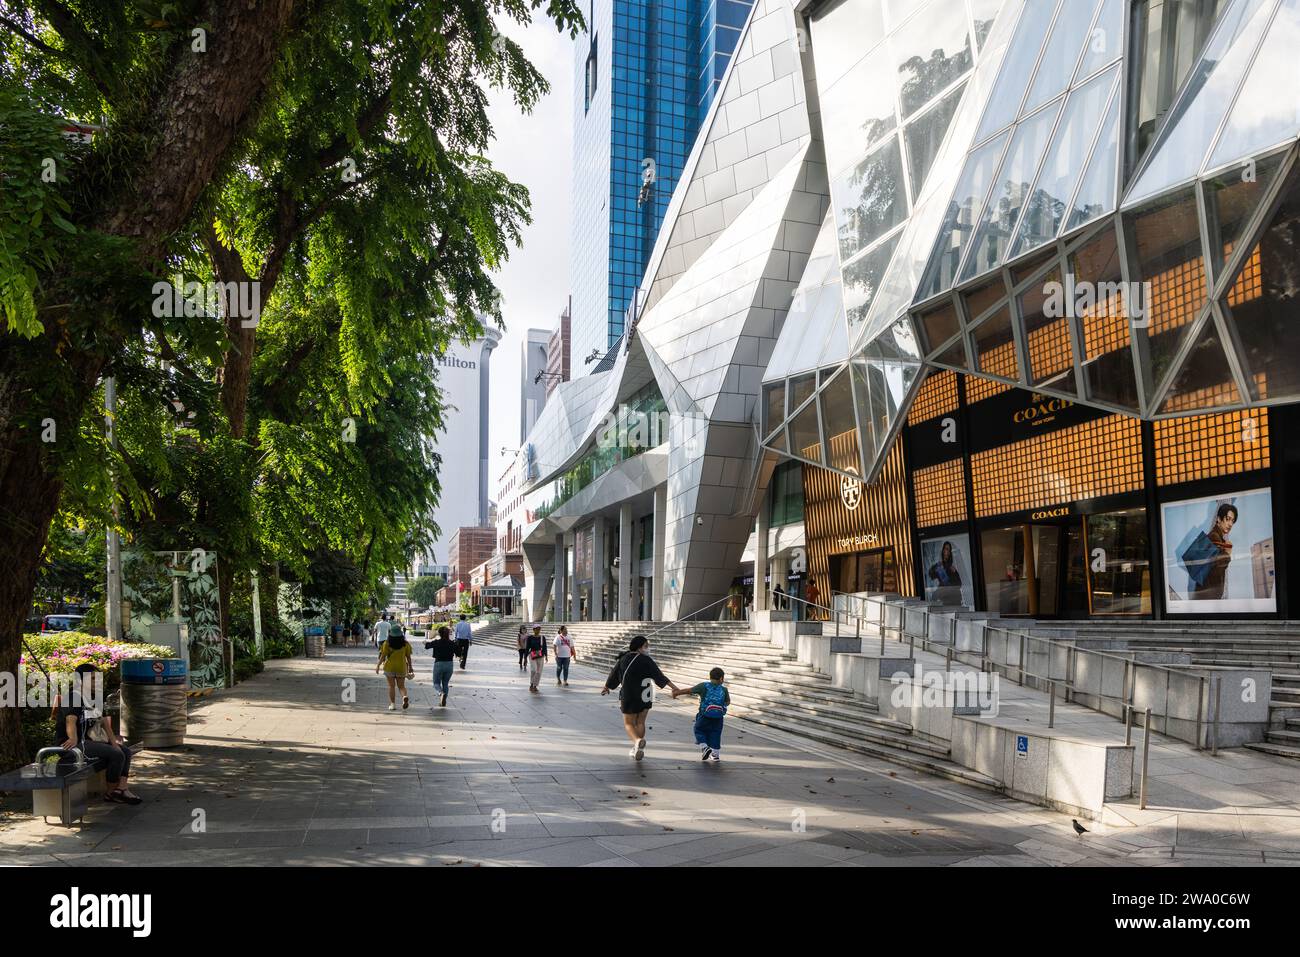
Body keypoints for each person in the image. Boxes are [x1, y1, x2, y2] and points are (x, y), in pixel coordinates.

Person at [56, 663, 142, 804]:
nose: (97, 682)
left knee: (124, 751)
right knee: (116, 754)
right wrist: (73, 738)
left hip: (88, 742)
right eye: (93, 679)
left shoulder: (93, 697)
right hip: (72, 746)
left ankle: (122, 788)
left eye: (97, 678)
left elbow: (103, 722)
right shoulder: (73, 697)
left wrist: (114, 743)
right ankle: (111, 792)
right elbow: (70, 720)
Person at [602, 635, 681, 761]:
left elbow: (614, 675)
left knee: (628, 723)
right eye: (646, 646)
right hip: (646, 694)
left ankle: (637, 741)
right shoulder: (646, 660)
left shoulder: (623, 659)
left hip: (629, 694)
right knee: (640, 722)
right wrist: (674, 687)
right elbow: (659, 676)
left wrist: (607, 687)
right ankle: (637, 748)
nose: (647, 648)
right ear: (639, 647)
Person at [673, 666, 730, 762]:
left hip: (705, 715)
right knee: (716, 733)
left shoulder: (704, 686)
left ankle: (705, 747)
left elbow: (689, 690)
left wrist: (677, 693)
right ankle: (715, 755)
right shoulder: (724, 690)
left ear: (710, 677)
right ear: (721, 678)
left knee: (698, 729)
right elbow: (728, 702)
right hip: (719, 717)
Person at [1193, 503, 1238, 601]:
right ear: (1219, 519)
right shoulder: (1214, 537)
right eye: (1227, 519)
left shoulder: (1219, 539)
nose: (1230, 524)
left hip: (1206, 596)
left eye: (1232, 521)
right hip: (1206, 598)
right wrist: (1227, 554)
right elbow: (1214, 572)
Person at [376, 625, 414, 711]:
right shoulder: (406, 644)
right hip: (401, 667)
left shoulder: (387, 643)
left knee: (391, 686)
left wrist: (378, 666)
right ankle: (404, 696)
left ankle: (392, 705)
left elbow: (383, 656)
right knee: (401, 686)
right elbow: (408, 657)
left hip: (389, 668)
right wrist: (410, 667)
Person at [424, 625, 457, 707]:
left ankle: (441, 693)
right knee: (445, 683)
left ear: (439, 634)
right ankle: (443, 700)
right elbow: (458, 653)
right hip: (449, 664)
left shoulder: (436, 642)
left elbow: (427, 646)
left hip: (439, 664)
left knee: (436, 683)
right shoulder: (452, 643)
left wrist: (425, 643)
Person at [927, 541, 964, 606]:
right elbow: (931, 574)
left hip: (955, 600)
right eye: (946, 549)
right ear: (943, 550)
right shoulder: (939, 566)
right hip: (946, 600)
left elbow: (959, 584)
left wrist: (954, 572)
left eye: (949, 550)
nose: (947, 552)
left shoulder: (953, 567)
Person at [525, 624, 548, 693]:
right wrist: (525, 658)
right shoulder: (530, 638)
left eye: (539, 629)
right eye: (536, 629)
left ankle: (535, 686)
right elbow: (527, 648)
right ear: (533, 629)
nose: (538, 630)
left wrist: (546, 656)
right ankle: (531, 684)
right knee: (533, 670)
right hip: (532, 655)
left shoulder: (542, 637)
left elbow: (545, 647)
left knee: (539, 672)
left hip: (540, 656)